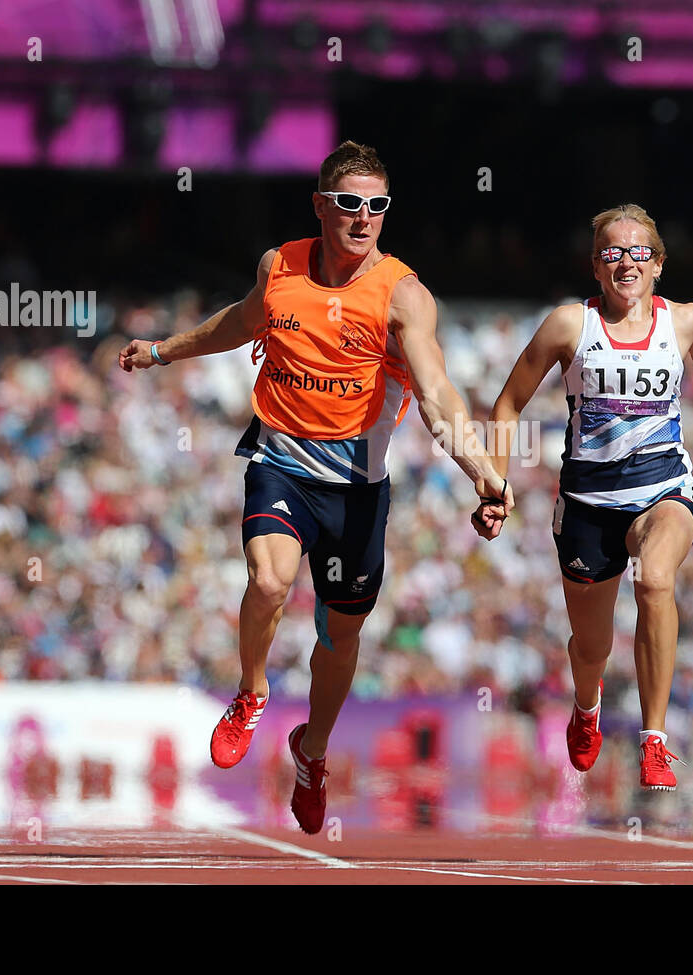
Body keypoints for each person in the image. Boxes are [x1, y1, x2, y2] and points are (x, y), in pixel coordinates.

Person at [118, 141, 512, 832]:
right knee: (268, 582)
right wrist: (161, 350)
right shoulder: (281, 267)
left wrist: (482, 471)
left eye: (378, 206)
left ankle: (314, 750)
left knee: (338, 635)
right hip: (281, 461)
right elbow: (238, 324)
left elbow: (437, 392)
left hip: (357, 489)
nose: (365, 218)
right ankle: (250, 692)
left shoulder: (403, 296)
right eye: (351, 204)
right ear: (321, 206)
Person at [477, 204, 693, 790]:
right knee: (591, 646)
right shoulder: (569, 326)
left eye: (638, 252)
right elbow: (507, 405)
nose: (626, 262)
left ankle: (654, 739)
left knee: (654, 581)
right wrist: (495, 481)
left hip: (663, 488)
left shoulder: (686, 321)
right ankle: (587, 704)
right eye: (612, 253)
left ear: (658, 265)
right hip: (588, 505)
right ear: (596, 268)